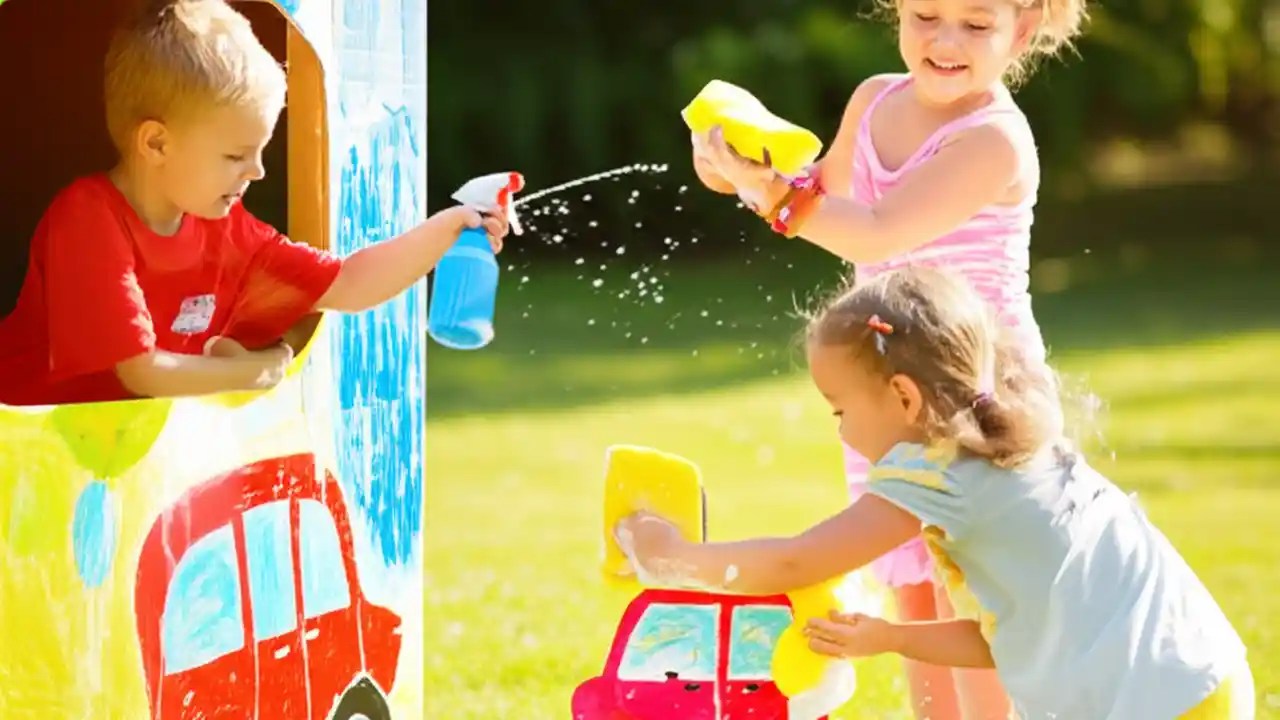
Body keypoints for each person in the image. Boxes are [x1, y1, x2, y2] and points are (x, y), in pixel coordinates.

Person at [615, 266, 1252, 720]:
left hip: (1145, 702)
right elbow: (1007, 638)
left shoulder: (933, 471)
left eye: (839, 411)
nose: (838, 429)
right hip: (1201, 679)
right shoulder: (1019, 443)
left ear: (903, 397)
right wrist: (889, 638)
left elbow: (795, 561)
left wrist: (667, 551)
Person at [690, 0, 1089, 713]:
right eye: (926, 15)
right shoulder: (875, 100)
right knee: (911, 595)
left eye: (975, 24)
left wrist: (772, 197)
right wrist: (738, 171)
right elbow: (822, 195)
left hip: (977, 396)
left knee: (971, 600)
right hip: (887, 392)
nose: (944, 40)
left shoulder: (994, 140)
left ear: (1020, 32)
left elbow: (876, 232)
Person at [0, 0, 511, 406]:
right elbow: (140, 371)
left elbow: (350, 284)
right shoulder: (88, 219)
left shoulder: (224, 228)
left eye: (260, 151)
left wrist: (450, 227)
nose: (258, 171)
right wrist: (254, 370)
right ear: (156, 144)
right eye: (234, 154)